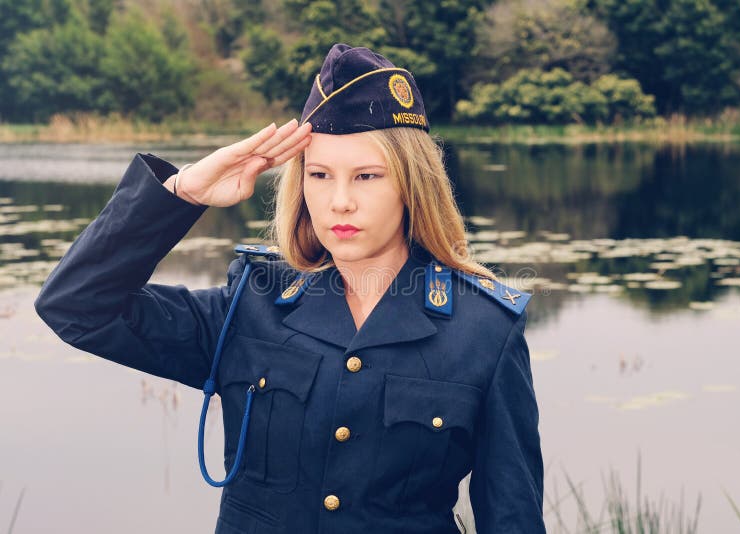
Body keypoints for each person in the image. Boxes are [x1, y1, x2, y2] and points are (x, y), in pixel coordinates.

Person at [34, 43, 546, 533]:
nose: (340, 201)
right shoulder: (250, 304)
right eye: (319, 175)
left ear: (412, 185)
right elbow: (75, 307)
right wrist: (183, 191)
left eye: (367, 176)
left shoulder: (483, 329)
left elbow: (513, 519)